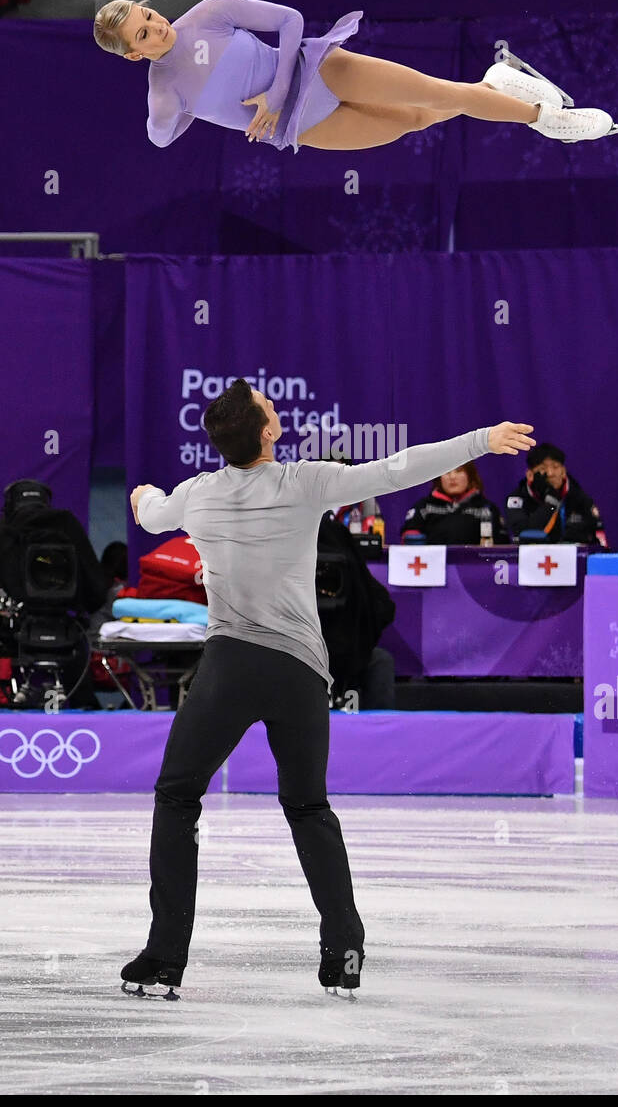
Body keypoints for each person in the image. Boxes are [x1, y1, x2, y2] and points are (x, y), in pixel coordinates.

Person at [122, 379, 535, 999]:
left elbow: (151, 515)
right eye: (268, 405)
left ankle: (163, 958)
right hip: (298, 672)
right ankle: (343, 949)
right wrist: (481, 440)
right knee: (308, 806)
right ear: (265, 431)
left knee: (178, 798)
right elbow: (399, 469)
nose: (275, 407)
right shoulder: (304, 482)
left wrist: (145, 492)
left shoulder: (196, 495)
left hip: (231, 666)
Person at [92, 0, 618, 154]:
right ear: (132, 55)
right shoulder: (163, 91)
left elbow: (291, 18)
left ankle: (546, 117)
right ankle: (497, 84)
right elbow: (160, 137)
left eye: (149, 15)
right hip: (305, 128)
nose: (157, 27)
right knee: (417, 119)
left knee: (445, 95)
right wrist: (178, 102)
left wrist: (274, 92)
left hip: (322, 69)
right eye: (143, 35)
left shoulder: (208, 15)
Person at [0, 478, 107, 709]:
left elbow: (94, 588)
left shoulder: (66, 532)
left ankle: (87, 711)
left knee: (77, 639)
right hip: (3, 624)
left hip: (57, 621)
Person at [316, 510, 396, 709]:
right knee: (379, 660)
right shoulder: (336, 534)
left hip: (295, 652)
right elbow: (382, 607)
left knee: (379, 662)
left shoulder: (276, 536)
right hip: (324, 653)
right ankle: (380, 737)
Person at [504, 443, 607, 545]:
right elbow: (523, 532)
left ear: (563, 471)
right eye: (542, 468)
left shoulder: (580, 498)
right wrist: (550, 502)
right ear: (530, 475)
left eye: (555, 466)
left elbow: (598, 537)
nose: (550, 473)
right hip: (533, 558)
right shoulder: (517, 499)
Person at [402, 461, 508, 545]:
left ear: (470, 476)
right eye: (447, 472)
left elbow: (502, 546)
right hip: (433, 568)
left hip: (474, 569)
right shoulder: (423, 507)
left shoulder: (487, 508)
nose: (452, 477)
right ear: (438, 478)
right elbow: (409, 540)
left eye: (459, 470)